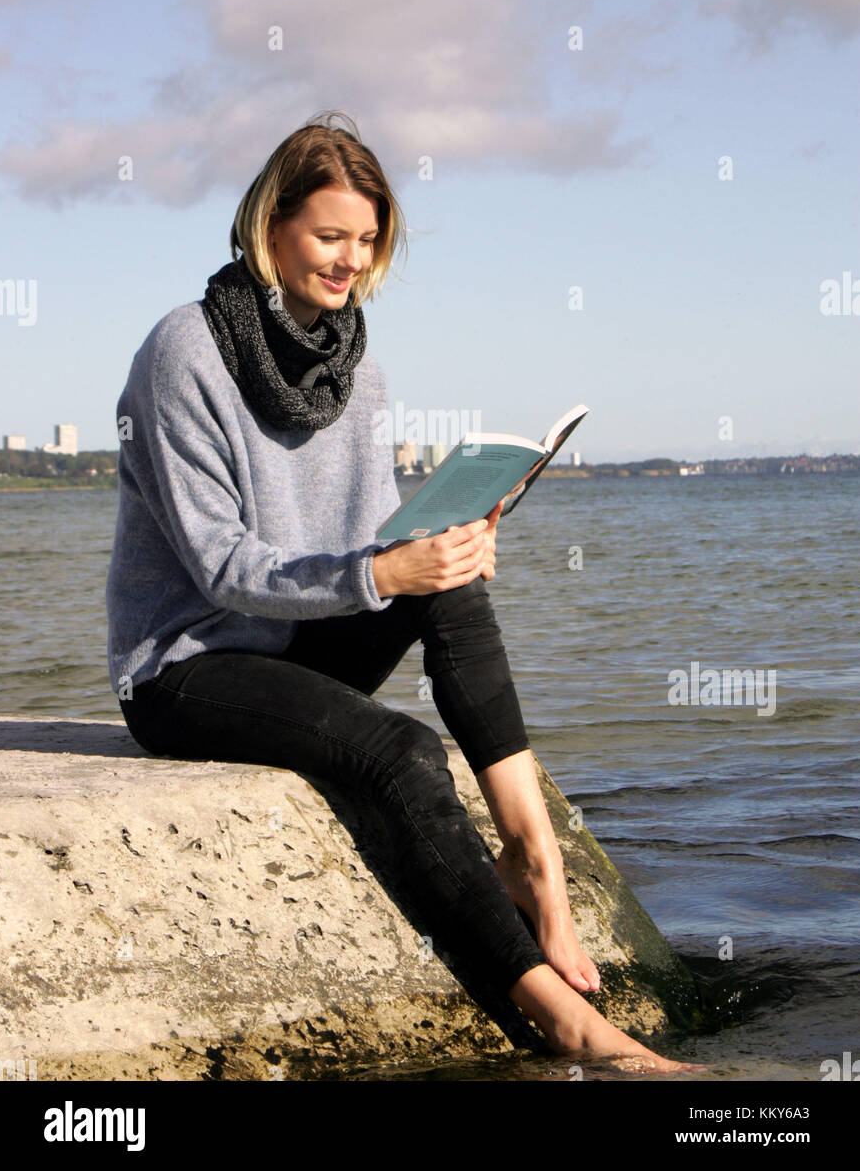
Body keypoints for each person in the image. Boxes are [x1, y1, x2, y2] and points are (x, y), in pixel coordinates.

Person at [106, 111, 700, 1074]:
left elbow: (375, 532)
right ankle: (563, 1020)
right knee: (399, 749)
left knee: (455, 591)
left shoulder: (358, 366)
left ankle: (533, 864)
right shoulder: (183, 354)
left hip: (303, 631)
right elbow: (221, 565)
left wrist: (449, 540)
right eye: (328, 236)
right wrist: (381, 573)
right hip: (190, 663)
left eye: (367, 241)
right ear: (271, 226)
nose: (348, 262)